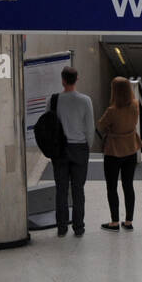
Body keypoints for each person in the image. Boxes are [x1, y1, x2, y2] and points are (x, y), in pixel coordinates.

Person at [53, 66, 95, 236]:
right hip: (79, 148)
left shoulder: (53, 100)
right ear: (77, 79)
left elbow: (48, 126)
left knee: (61, 190)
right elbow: (90, 127)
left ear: (62, 80)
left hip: (60, 149)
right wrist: (88, 146)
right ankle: (78, 227)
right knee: (78, 190)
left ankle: (61, 227)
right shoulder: (85, 100)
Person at [96, 76, 142, 232]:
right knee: (128, 186)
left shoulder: (112, 111)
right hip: (130, 149)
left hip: (113, 151)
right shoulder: (135, 105)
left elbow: (101, 125)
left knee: (112, 187)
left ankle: (114, 221)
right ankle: (129, 221)